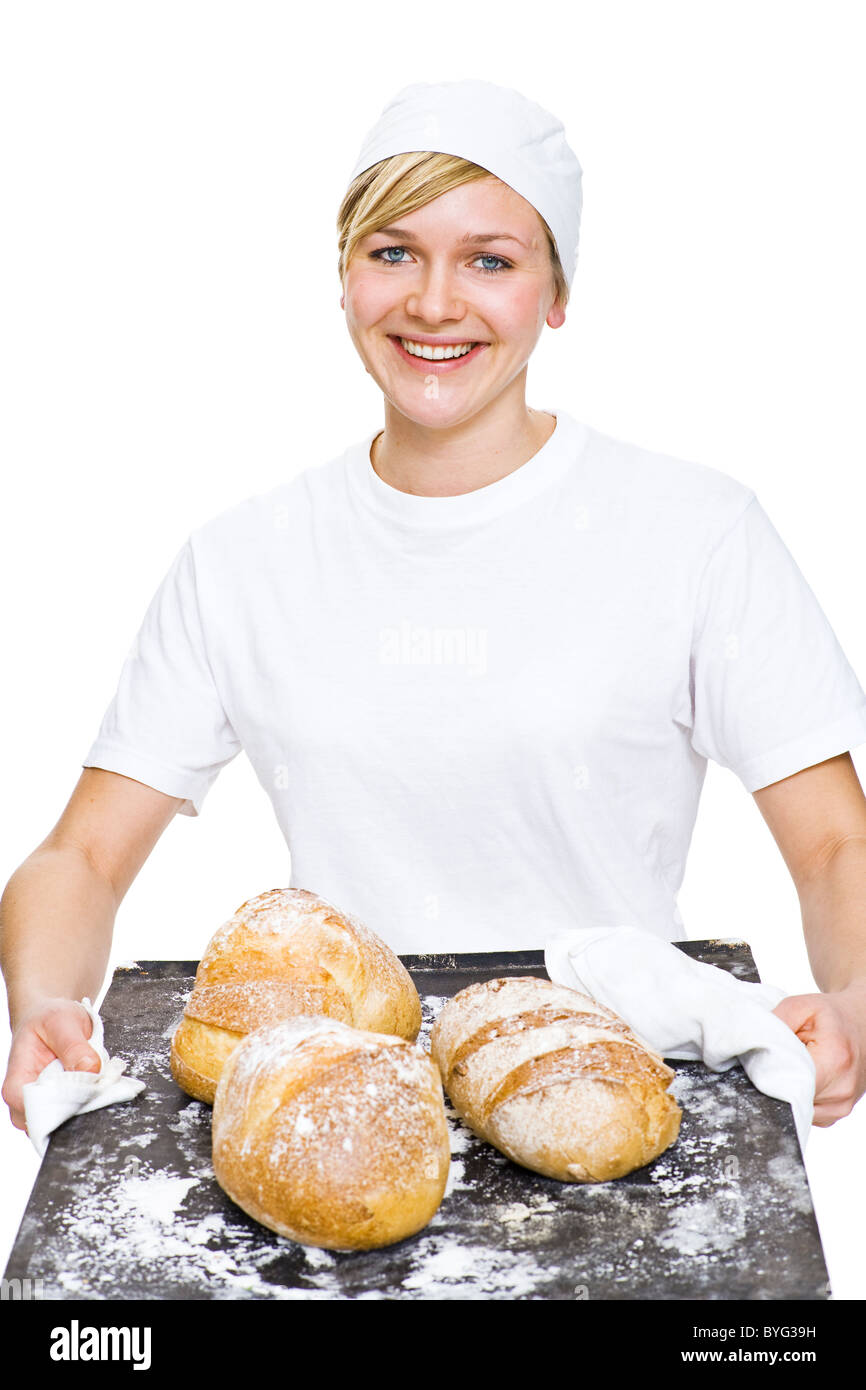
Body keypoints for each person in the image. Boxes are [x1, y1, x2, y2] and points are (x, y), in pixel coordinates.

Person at [3, 79, 866, 1140]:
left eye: (490, 261)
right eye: (393, 251)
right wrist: (44, 1002)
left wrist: (858, 994)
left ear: (555, 290)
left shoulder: (694, 530)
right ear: (344, 279)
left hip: (605, 1085)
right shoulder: (244, 557)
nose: (432, 302)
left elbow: (832, 844)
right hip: (340, 1109)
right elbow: (81, 857)